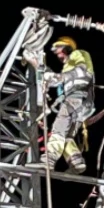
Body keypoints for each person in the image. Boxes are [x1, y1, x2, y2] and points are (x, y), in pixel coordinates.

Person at [35, 36, 95, 174]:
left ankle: (48, 161)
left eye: (59, 49)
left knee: (59, 129)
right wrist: (48, 76)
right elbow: (58, 81)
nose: (57, 53)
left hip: (77, 98)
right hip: (82, 103)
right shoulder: (67, 68)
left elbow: (81, 70)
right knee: (66, 135)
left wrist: (59, 77)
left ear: (67, 47)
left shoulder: (78, 54)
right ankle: (76, 162)